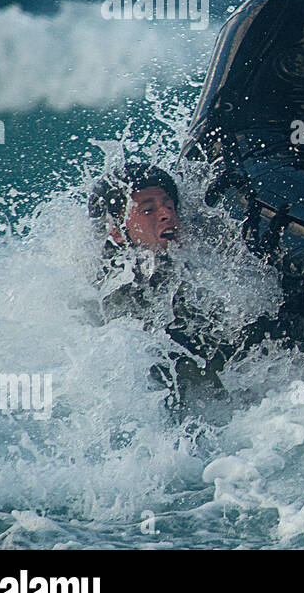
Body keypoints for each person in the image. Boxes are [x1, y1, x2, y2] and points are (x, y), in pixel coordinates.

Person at [88, 162, 225, 410]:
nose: (166, 214)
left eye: (169, 206)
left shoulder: (199, 265)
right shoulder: (115, 287)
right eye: (148, 209)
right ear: (116, 232)